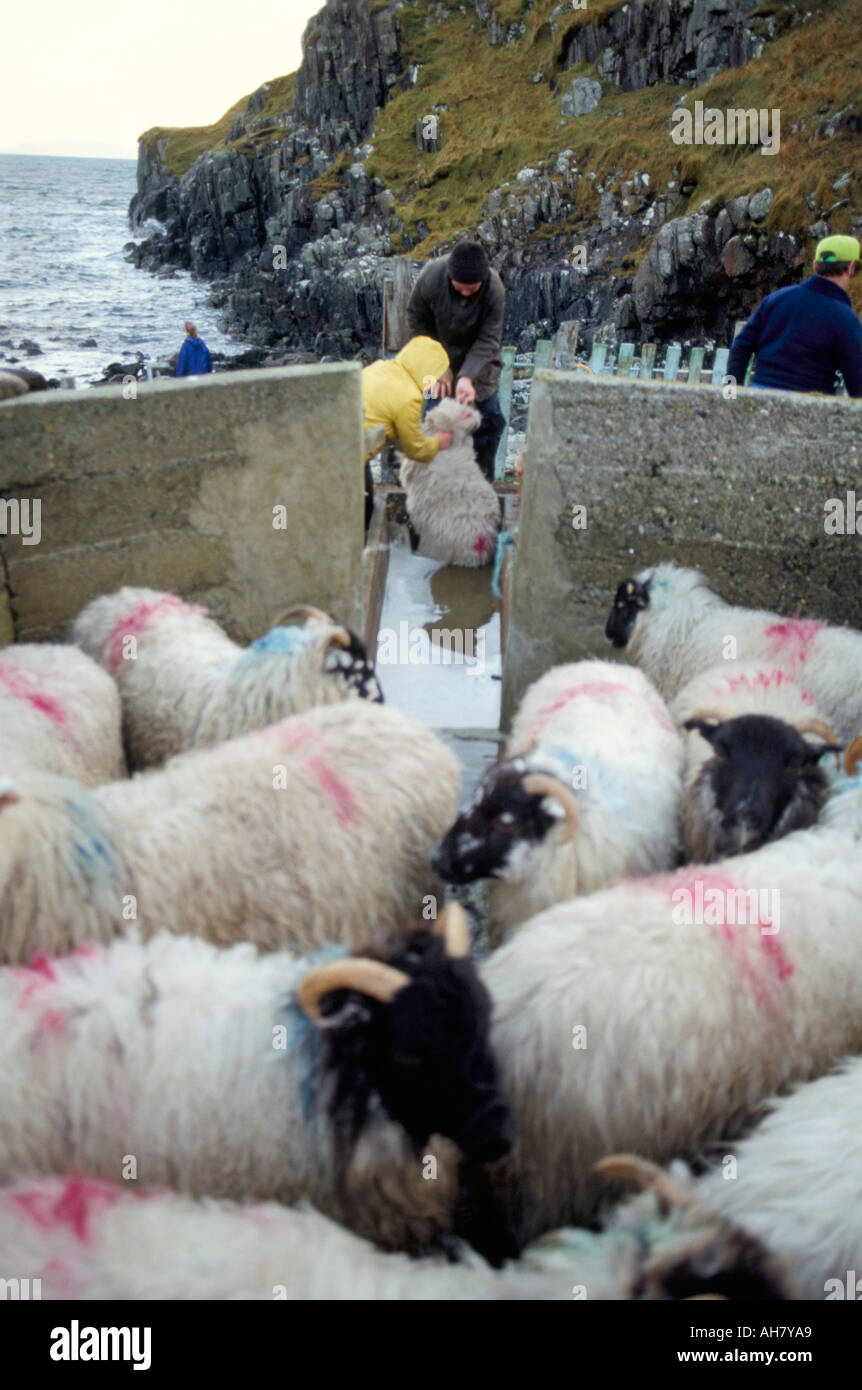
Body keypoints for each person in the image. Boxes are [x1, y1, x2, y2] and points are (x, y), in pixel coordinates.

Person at [407, 240, 506, 481]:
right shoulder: (431, 276)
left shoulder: (494, 289)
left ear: (482, 281)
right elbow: (417, 319)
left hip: (480, 360)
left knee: (488, 420)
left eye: (471, 289)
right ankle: (432, 482)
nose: (465, 293)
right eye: (459, 287)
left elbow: (489, 338)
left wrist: (466, 377)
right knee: (434, 418)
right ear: (450, 276)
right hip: (436, 353)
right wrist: (437, 364)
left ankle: (481, 482)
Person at [727, 234, 862, 397]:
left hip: (760, 399)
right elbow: (857, 381)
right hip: (809, 410)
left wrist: (729, 395)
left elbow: (739, 347)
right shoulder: (846, 319)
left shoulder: (776, 299)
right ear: (850, 267)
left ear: (815, 265)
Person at [362, 336, 454, 531]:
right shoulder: (409, 397)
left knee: (367, 500)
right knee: (361, 511)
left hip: (339, 440)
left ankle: (365, 542)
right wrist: (439, 442)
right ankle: (362, 549)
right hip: (349, 456)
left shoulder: (381, 367)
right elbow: (416, 449)